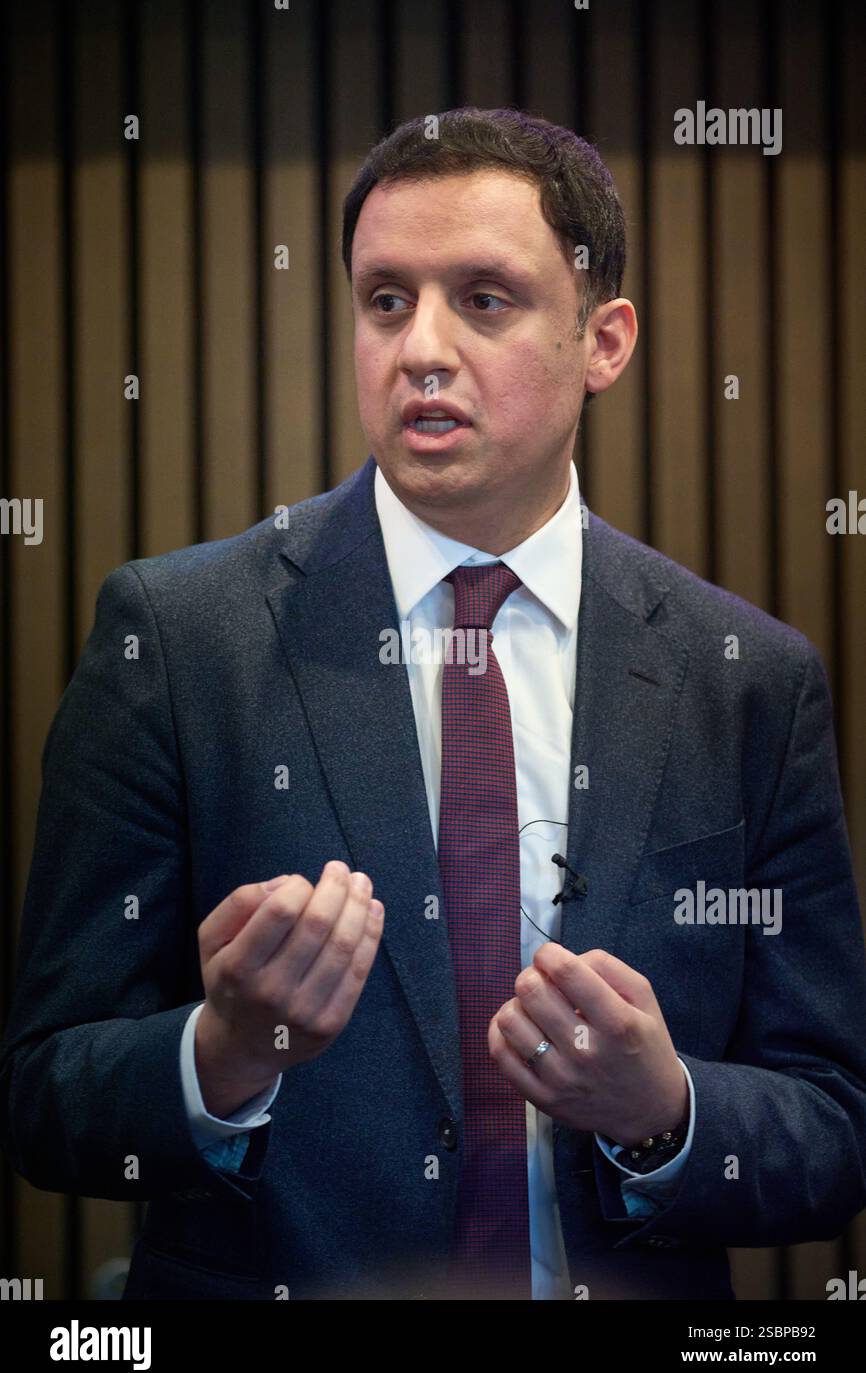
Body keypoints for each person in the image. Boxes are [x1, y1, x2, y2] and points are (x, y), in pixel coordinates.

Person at [2, 106, 866, 1301]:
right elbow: (46, 1096)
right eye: (385, 300)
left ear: (603, 340)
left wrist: (664, 1110)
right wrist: (224, 1050)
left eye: (485, 299)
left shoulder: (747, 681)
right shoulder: (178, 638)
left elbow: (832, 1126)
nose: (420, 348)